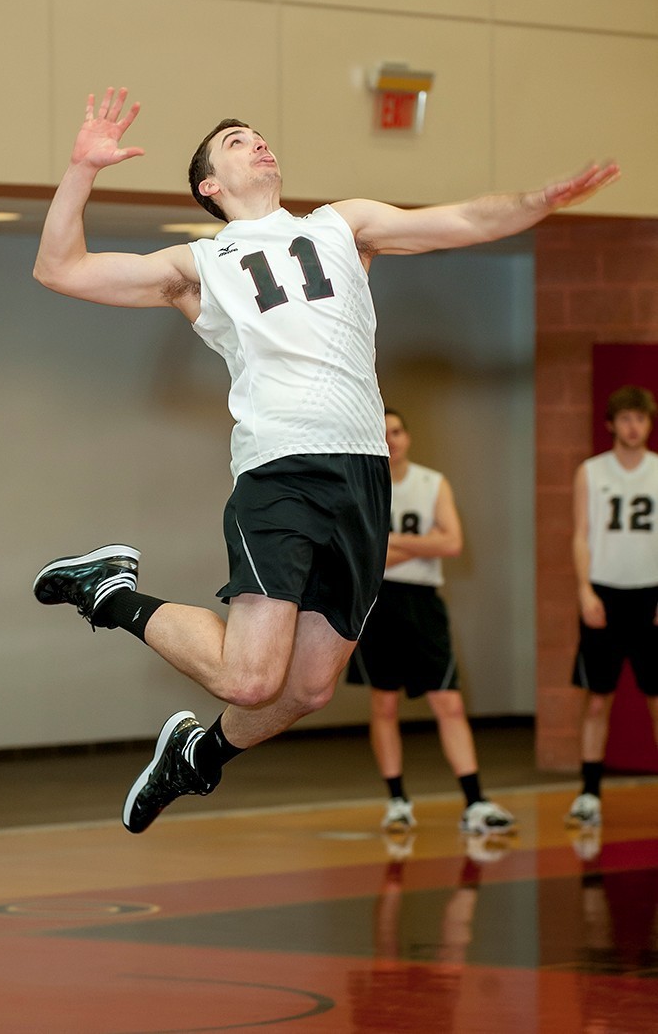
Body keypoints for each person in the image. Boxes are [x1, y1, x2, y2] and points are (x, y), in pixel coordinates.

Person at [31, 86, 619, 835]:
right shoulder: (199, 264)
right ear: (209, 184)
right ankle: (109, 592)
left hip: (363, 476)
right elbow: (61, 268)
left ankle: (196, 758)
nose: (257, 143)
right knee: (249, 678)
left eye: (259, 134)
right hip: (282, 469)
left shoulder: (343, 225)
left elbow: (465, 220)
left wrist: (540, 199)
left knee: (305, 690)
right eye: (236, 140)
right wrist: (82, 169)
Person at [346, 410, 517, 836]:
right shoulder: (359, 485)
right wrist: (424, 545)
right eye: (385, 433)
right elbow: (362, 555)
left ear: (408, 436)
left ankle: (475, 801)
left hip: (422, 604)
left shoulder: (432, 483)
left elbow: (453, 542)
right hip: (376, 603)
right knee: (384, 704)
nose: (394, 439)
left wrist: (391, 544)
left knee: (449, 702)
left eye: (399, 430)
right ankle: (397, 802)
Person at [566, 384, 658, 828]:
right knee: (597, 700)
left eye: (640, 418)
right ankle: (589, 794)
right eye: (625, 418)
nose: (633, 425)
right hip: (604, 593)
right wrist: (585, 590)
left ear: (649, 424)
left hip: (651, 594)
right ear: (611, 424)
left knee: (656, 698)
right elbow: (580, 533)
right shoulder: (591, 472)